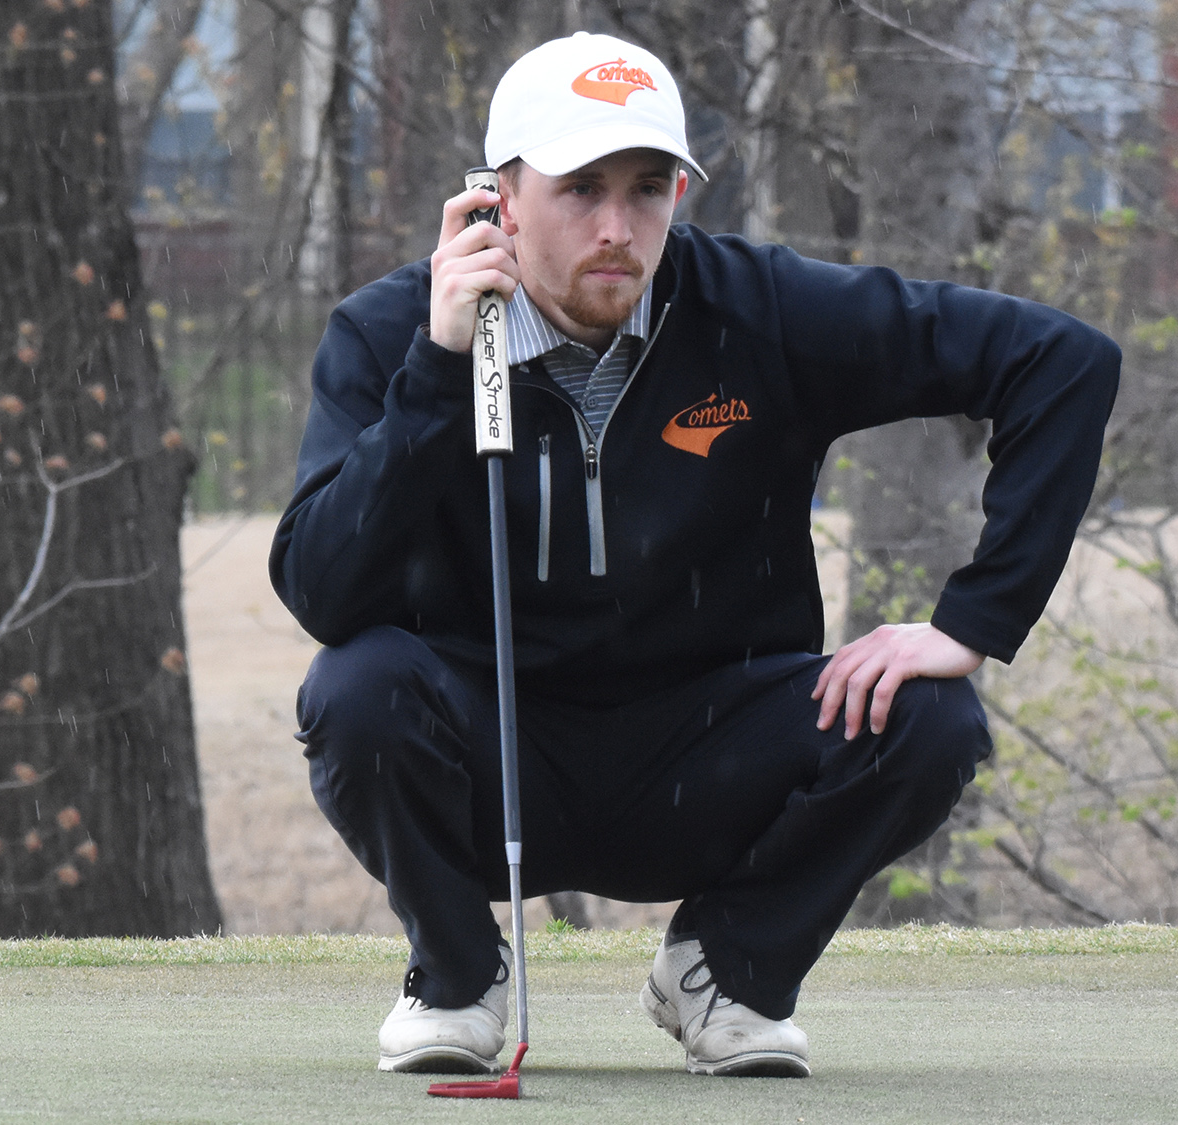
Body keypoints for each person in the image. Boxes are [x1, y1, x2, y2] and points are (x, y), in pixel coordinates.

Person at [270, 31, 1119, 1078]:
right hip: (494, 764)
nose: (617, 228)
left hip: (713, 757)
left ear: (679, 192)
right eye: (580, 189)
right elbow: (321, 588)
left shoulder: (760, 309)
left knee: (931, 716)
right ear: (499, 199)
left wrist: (973, 621)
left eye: (647, 189)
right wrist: (443, 371)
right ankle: (454, 974)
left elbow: (1061, 361)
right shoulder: (391, 332)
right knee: (354, 688)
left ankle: (728, 970)